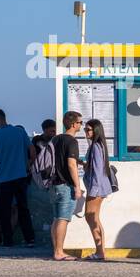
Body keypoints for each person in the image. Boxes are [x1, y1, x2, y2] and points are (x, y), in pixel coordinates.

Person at [0, 108, 36, 248]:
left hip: (4, 179)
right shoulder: (20, 132)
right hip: (21, 176)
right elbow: (32, 150)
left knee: (5, 210)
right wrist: (28, 165)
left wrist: (2, 167)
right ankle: (30, 239)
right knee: (23, 208)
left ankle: (7, 240)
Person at [50, 111, 84, 261]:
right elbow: (71, 164)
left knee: (56, 218)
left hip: (54, 184)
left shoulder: (56, 139)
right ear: (73, 124)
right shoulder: (72, 141)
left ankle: (56, 250)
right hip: (65, 185)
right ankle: (59, 252)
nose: (81, 125)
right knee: (63, 218)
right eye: (80, 123)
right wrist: (77, 186)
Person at [82, 118, 115, 261]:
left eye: (88, 129)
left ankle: (100, 251)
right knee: (93, 218)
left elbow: (96, 171)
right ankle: (100, 251)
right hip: (99, 186)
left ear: (95, 130)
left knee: (91, 217)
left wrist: (93, 190)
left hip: (96, 187)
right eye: (85, 129)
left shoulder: (95, 146)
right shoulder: (99, 146)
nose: (86, 132)